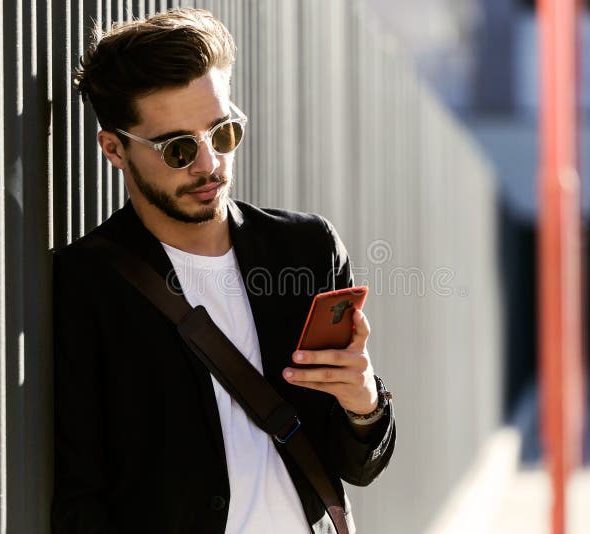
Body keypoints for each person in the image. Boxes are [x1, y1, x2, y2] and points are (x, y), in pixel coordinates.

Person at [52, 8, 395, 534]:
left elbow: (359, 467)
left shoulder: (306, 250)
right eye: (178, 149)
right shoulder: (87, 284)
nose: (209, 164)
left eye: (223, 132)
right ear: (114, 148)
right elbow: (80, 492)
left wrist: (364, 403)